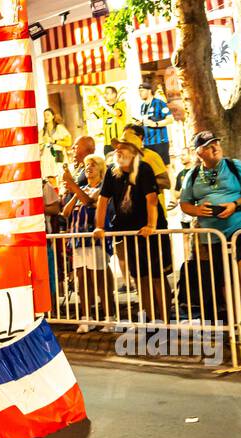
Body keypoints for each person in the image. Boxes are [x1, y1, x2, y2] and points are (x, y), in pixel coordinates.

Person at [179, 132, 241, 324]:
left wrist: (235, 204)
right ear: (199, 152)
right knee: (222, 272)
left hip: (239, 224)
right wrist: (198, 210)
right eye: (209, 145)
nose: (215, 147)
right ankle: (235, 317)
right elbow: (184, 204)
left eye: (216, 143)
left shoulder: (234, 166)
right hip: (212, 233)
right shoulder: (192, 175)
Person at [94, 139, 171, 322]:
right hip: (129, 230)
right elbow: (103, 200)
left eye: (123, 149)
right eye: (117, 150)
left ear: (133, 153)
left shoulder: (143, 169)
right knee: (139, 275)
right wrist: (99, 226)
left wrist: (151, 225)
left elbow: (151, 199)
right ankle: (150, 317)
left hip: (150, 229)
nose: (118, 152)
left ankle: (166, 318)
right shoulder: (113, 172)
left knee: (157, 275)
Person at [64, 154, 113, 328]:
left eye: (92, 165)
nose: (88, 168)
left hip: (95, 241)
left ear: (100, 168)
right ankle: (86, 317)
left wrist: (73, 186)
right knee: (82, 280)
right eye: (86, 165)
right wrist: (74, 190)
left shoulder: (103, 188)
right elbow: (66, 211)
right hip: (79, 240)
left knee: (100, 279)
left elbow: (91, 202)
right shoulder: (81, 188)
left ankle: (109, 316)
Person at [135, 83, 173, 166]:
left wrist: (155, 124)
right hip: (147, 143)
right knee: (151, 168)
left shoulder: (159, 103)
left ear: (149, 91)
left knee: (164, 167)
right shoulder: (143, 106)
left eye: (142, 91)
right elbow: (146, 121)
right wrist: (140, 124)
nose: (140, 93)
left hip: (160, 142)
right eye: (139, 91)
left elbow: (170, 119)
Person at [39, 108, 74, 179]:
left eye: (48, 115)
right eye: (44, 115)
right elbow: (39, 147)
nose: (46, 117)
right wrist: (42, 144)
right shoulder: (42, 132)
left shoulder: (59, 128)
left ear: (53, 116)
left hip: (58, 155)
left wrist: (54, 141)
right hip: (47, 158)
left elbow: (68, 142)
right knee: (49, 178)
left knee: (60, 175)